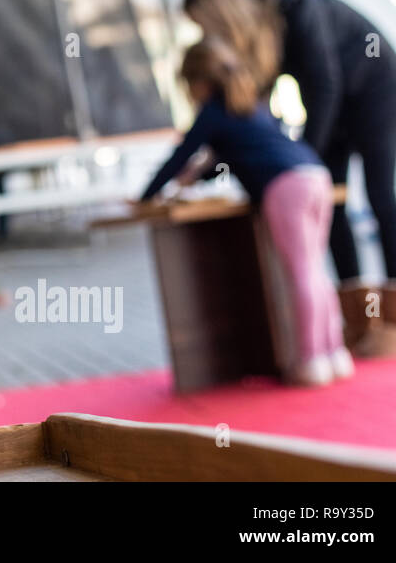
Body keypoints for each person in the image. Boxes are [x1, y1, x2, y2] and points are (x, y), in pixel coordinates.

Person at [184, 0, 396, 358]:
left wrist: (302, 160)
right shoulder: (257, 42)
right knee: (333, 203)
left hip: (376, 89)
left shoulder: (292, 6)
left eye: (205, 25)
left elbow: (325, 82)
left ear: (221, 13)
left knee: (380, 194)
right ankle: (359, 322)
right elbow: (256, 114)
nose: (210, 38)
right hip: (336, 108)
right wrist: (213, 166)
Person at [137, 38, 352, 387]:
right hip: (314, 174)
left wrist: (146, 196)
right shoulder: (250, 105)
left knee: (300, 273)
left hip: (285, 187)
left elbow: (182, 154)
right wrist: (199, 175)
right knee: (315, 270)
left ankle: (310, 360)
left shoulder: (213, 112)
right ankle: (334, 353)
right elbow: (231, 154)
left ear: (199, 83)